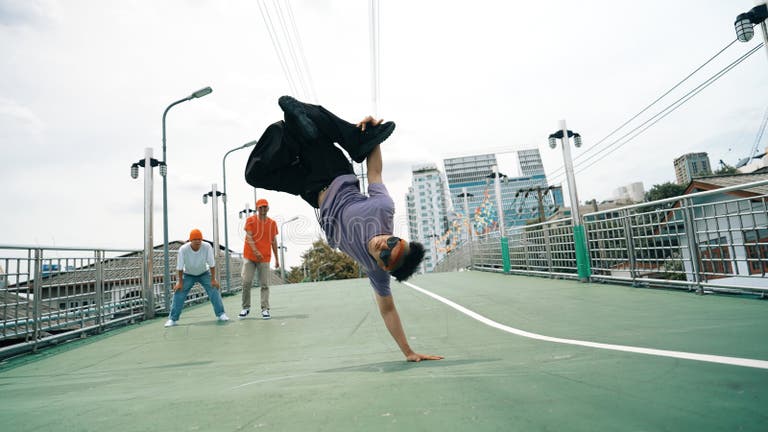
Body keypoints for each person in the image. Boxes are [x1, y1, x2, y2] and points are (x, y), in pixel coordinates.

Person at [244, 96, 443, 362]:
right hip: (334, 171)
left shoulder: (375, 271)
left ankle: (289, 134)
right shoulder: (382, 209)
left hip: (310, 189)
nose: (383, 245)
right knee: (306, 127)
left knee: (255, 174)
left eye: (385, 255)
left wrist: (408, 352)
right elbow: (375, 173)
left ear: (382, 267)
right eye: (392, 242)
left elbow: (388, 310)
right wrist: (372, 137)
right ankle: (352, 137)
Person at [165, 228, 230, 327]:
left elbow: (212, 264)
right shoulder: (183, 249)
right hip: (188, 274)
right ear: (190, 240)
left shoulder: (207, 246)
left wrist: (213, 279)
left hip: (204, 273)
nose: (198, 241)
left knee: (214, 289)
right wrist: (180, 282)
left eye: (199, 239)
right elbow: (180, 267)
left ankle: (221, 314)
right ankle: (172, 319)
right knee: (179, 292)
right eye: (195, 239)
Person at [240, 198, 280, 320]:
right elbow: (249, 237)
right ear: (257, 209)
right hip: (250, 256)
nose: (263, 209)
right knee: (246, 282)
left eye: (265, 207)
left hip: (264, 258)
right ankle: (245, 308)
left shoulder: (272, 223)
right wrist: (255, 251)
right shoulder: (250, 220)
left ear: (268, 208)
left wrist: (277, 259)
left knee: (264, 284)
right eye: (260, 207)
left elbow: (273, 241)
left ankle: (265, 309)